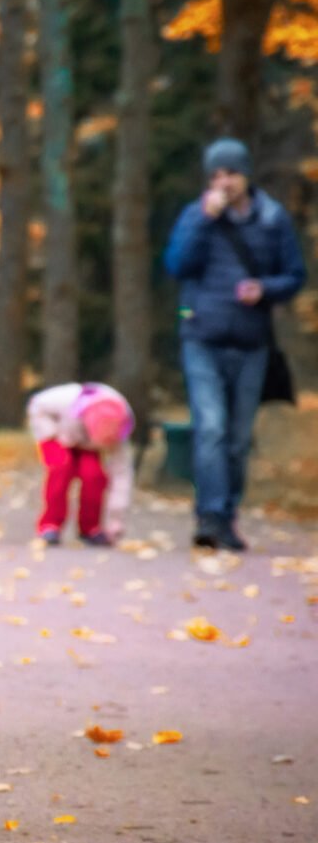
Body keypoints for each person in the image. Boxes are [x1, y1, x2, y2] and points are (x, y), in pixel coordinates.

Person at [163, 137, 307, 551]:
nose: (223, 182)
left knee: (238, 438)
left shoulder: (272, 220)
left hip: (250, 342)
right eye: (216, 175)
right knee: (209, 428)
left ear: (245, 175)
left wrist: (264, 288)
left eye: (230, 173)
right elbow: (177, 264)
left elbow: (294, 276)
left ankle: (227, 515)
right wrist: (203, 221)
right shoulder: (197, 216)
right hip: (202, 337)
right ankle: (208, 517)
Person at [27, 383, 134, 547]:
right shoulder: (65, 400)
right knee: (61, 467)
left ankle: (90, 528)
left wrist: (116, 520)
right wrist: (53, 434)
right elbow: (36, 406)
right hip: (58, 434)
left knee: (94, 475)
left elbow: (121, 475)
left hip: (87, 444)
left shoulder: (119, 424)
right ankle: (50, 525)